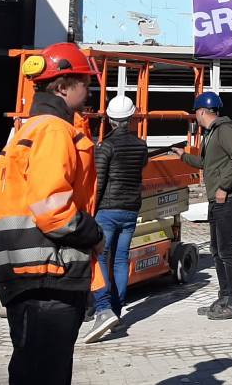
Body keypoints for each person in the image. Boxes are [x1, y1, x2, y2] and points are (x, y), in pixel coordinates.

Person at [0, 43, 104, 385]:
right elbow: (52, 208)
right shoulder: (53, 130)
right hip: (49, 276)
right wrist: (94, 234)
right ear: (63, 87)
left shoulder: (29, 128)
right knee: (46, 373)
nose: (90, 88)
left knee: (28, 369)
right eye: (85, 81)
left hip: (28, 276)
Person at [171, 91, 232, 320]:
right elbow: (207, 163)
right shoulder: (211, 133)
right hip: (218, 199)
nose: (195, 116)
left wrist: (224, 187)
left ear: (202, 112)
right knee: (217, 251)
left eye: (196, 112)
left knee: (227, 251)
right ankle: (225, 297)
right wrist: (183, 156)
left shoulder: (225, 130)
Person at [83, 95, 148, 343]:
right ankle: (117, 312)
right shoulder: (141, 146)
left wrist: (91, 210)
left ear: (110, 120)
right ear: (131, 118)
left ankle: (103, 309)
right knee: (121, 260)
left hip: (107, 210)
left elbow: (98, 182)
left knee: (100, 258)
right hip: (130, 209)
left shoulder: (106, 147)